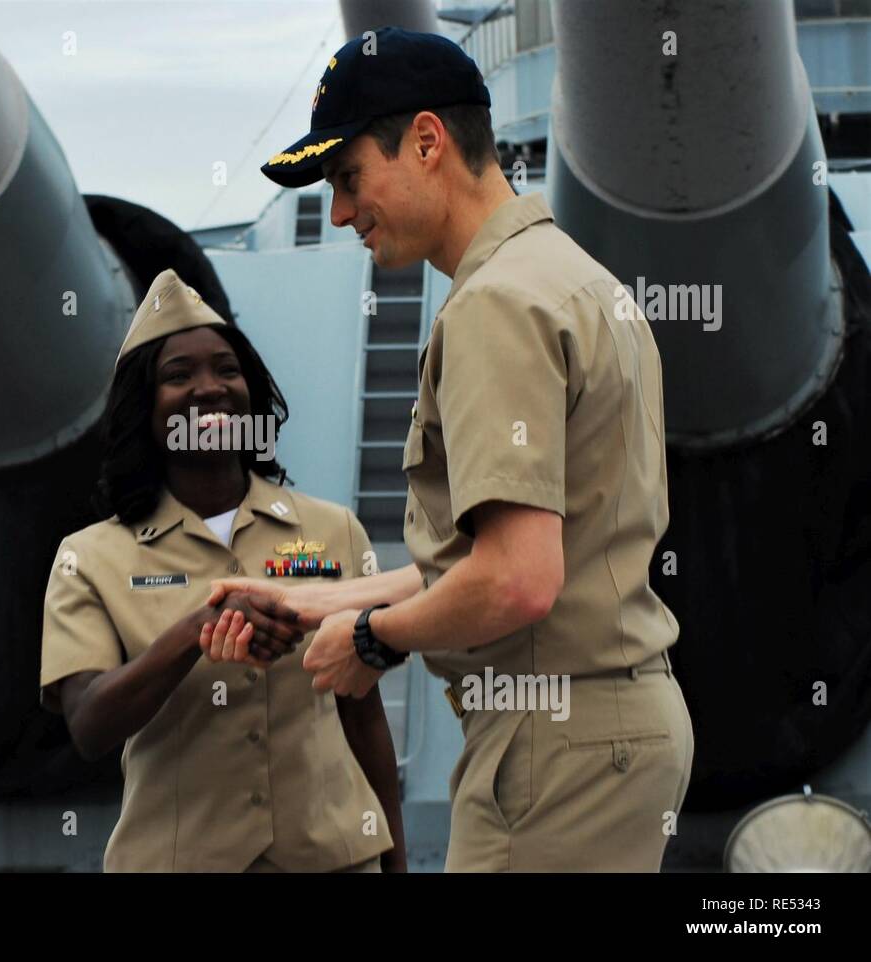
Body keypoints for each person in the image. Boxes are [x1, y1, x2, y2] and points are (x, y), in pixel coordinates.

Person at [206, 27, 694, 872]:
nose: (344, 213)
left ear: (428, 141)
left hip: (549, 751)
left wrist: (372, 640)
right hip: (609, 731)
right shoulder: (578, 281)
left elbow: (516, 581)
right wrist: (320, 602)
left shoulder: (494, 307)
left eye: (349, 178)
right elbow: (511, 558)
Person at [39, 268, 406, 872]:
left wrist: (396, 864)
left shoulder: (333, 531)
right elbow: (89, 723)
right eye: (178, 375)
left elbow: (361, 713)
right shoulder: (89, 559)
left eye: (226, 370)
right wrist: (194, 633)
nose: (209, 388)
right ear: (143, 407)